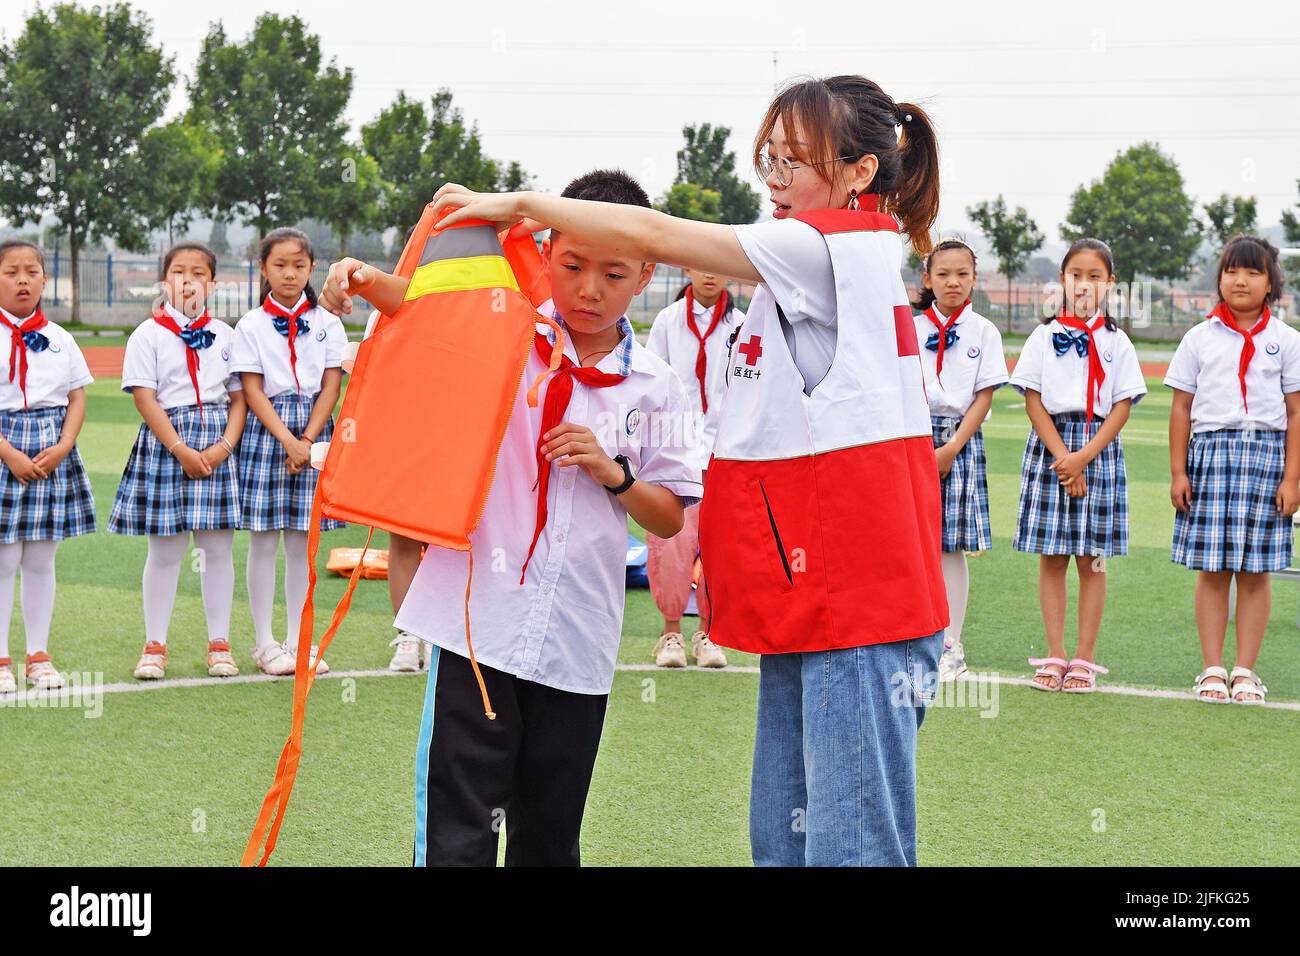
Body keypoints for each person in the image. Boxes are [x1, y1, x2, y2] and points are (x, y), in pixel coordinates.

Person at [423, 74, 949, 867]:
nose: (772, 178)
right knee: (787, 842)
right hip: (818, 601)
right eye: (767, 156)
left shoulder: (828, 246)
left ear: (858, 174)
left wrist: (519, 204)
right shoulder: (818, 259)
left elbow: (654, 230)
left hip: (859, 604)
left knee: (849, 851)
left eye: (793, 161)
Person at [319, 169, 700, 866]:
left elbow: (671, 517)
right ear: (545, 249)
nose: (588, 290)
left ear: (646, 273)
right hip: (477, 623)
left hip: (577, 638)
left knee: (550, 839)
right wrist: (359, 281)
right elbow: (418, 314)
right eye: (573, 264)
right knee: (456, 832)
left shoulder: (658, 385)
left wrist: (613, 472)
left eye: (613, 274)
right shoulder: (501, 335)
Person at [1010, 238, 1147, 692]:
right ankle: (1054, 655)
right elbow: (1032, 400)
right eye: (1075, 275)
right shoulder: (1042, 337)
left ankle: (1084, 659)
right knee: (1052, 558)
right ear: (1061, 281)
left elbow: (1123, 406)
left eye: (1094, 276)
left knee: (1093, 562)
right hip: (1051, 449)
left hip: (1099, 450)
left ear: (1111, 284)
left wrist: (1084, 457)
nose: (1083, 284)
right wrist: (1063, 458)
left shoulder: (1118, 342)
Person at [1167, 235, 1299, 705]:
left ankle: (1245, 670)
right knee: (1214, 568)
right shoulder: (1199, 338)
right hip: (1211, 457)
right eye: (1231, 271)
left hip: (1265, 458)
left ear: (1271, 283)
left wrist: (1292, 478)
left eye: (1253, 271)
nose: (1240, 280)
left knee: (1256, 571)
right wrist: (1179, 472)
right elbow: (1181, 408)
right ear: (1220, 278)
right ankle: (1212, 668)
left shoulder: (1286, 341)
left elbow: (1296, 412)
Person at [109, 242, 246, 680]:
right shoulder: (146, 335)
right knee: (165, 552)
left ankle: (219, 644)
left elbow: (240, 397)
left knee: (217, 551)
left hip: (218, 444)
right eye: (179, 272)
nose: (188, 281)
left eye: (198, 273)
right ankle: (154, 645)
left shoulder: (228, 335)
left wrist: (224, 447)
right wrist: (179, 449)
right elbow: (145, 399)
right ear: (164, 280)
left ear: (213, 283)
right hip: (167, 442)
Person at [232, 228, 345, 676]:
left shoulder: (328, 323)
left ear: (312, 268)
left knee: (302, 543)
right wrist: (287, 440)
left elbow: (332, 384)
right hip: (268, 432)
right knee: (263, 541)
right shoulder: (251, 325)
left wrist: (309, 440)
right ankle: (264, 643)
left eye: (299, 265)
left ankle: (300, 641)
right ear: (263, 269)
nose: (290, 273)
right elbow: (252, 389)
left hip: (314, 432)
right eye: (280, 265)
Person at [0, 239, 96, 694]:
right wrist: (9, 453)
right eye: (11, 271)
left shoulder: (61, 338)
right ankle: (0, 658)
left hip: (51, 450)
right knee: (3, 560)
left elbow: (77, 396)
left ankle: (38, 656)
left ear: (44, 278)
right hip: (5, 449)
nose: (22, 280)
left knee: (40, 559)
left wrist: (64, 444)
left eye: (31, 271)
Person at [912, 239, 1008, 680]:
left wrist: (951, 449)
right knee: (911, 543)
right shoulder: (909, 329)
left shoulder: (984, 332)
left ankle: (951, 644)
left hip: (960, 438)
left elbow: (984, 396)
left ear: (974, 279)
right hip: (912, 435)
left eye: (962, 274)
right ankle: (912, 640)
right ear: (927, 279)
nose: (953, 282)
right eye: (943, 273)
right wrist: (918, 444)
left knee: (950, 543)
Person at [644, 270, 742, 668]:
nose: (709, 274)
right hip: (675, 451)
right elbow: (650, 383)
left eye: (720, 266)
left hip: (724, 450)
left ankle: (708, 633)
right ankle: (671, 633)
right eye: (700, 265)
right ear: (686, 269)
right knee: (671, 543)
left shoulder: (741, 324)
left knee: (719, 544)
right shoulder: (668, 321)